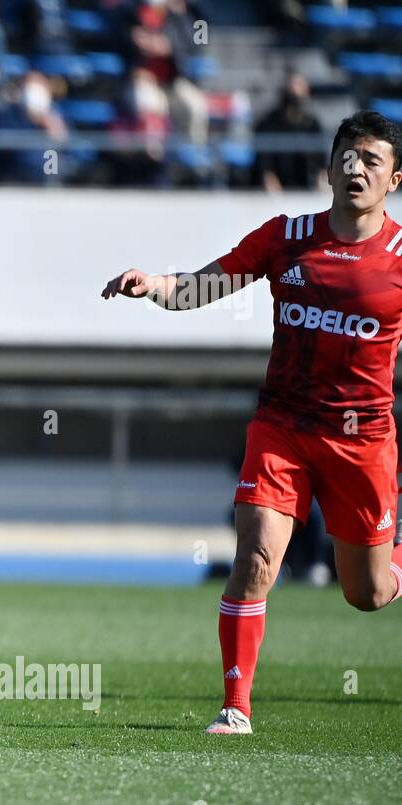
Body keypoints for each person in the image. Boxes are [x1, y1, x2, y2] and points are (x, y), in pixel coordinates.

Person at [101, 110, 402, 734]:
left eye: (371, 160)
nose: (356, 168)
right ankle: (236, 707)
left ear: (394, 179)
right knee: (255, 558)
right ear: (327, 168)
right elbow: (205, 286)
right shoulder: (286, 235)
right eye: (346, 156)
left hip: (361, 441)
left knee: (367, 594)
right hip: (282, 428)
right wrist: (152, 283)